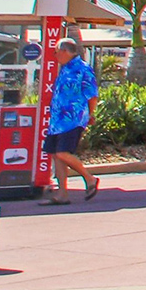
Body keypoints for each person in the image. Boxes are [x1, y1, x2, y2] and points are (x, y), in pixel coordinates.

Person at [39, 37, 100, 205]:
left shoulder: (82, 69)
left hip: (72, 120)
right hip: (57, 121)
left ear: (65, 51)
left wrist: (88, 114)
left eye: (56, 52)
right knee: (56, 156)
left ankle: (90, 179)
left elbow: (92, 95)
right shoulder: (65, 69)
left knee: (62, 153)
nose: (55, 56)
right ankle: (62, 194)